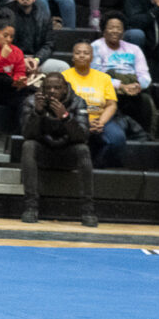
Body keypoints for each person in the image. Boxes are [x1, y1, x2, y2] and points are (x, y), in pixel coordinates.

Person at [18, 72, 97, 226]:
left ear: (65, 89)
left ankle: (88, 210)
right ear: (43, 89)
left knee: (83, 149)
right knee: (28, 146)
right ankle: (30, 207)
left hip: (67, 152)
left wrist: (66, 117)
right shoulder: (31, 101)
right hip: (43, 151)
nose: (52, 91)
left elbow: (82, 137)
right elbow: (28, 134)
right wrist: (38, 113)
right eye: (48, 88)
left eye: (57, 88)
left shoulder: (78, 102)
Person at [61, 42, 125, 167]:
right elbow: (62, 104)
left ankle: (98, 167)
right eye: (78, 53)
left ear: (91, 57)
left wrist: (101, 122)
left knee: (117, 138)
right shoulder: (64, 77)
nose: (82, 55)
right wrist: (82, 123)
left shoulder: (104, 78)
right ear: (73, 57)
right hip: (73, 120)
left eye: (86, 53)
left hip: (99, 119)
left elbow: (111, 105)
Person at [2, 0, 69, 79]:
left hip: (35, 60)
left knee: (63, 67)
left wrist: (37, 60)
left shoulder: (44, 15)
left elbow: (49, 44)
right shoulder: (5, 13)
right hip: (11, 59)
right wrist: (20, 60)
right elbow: (2, 43)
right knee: (2, 68)